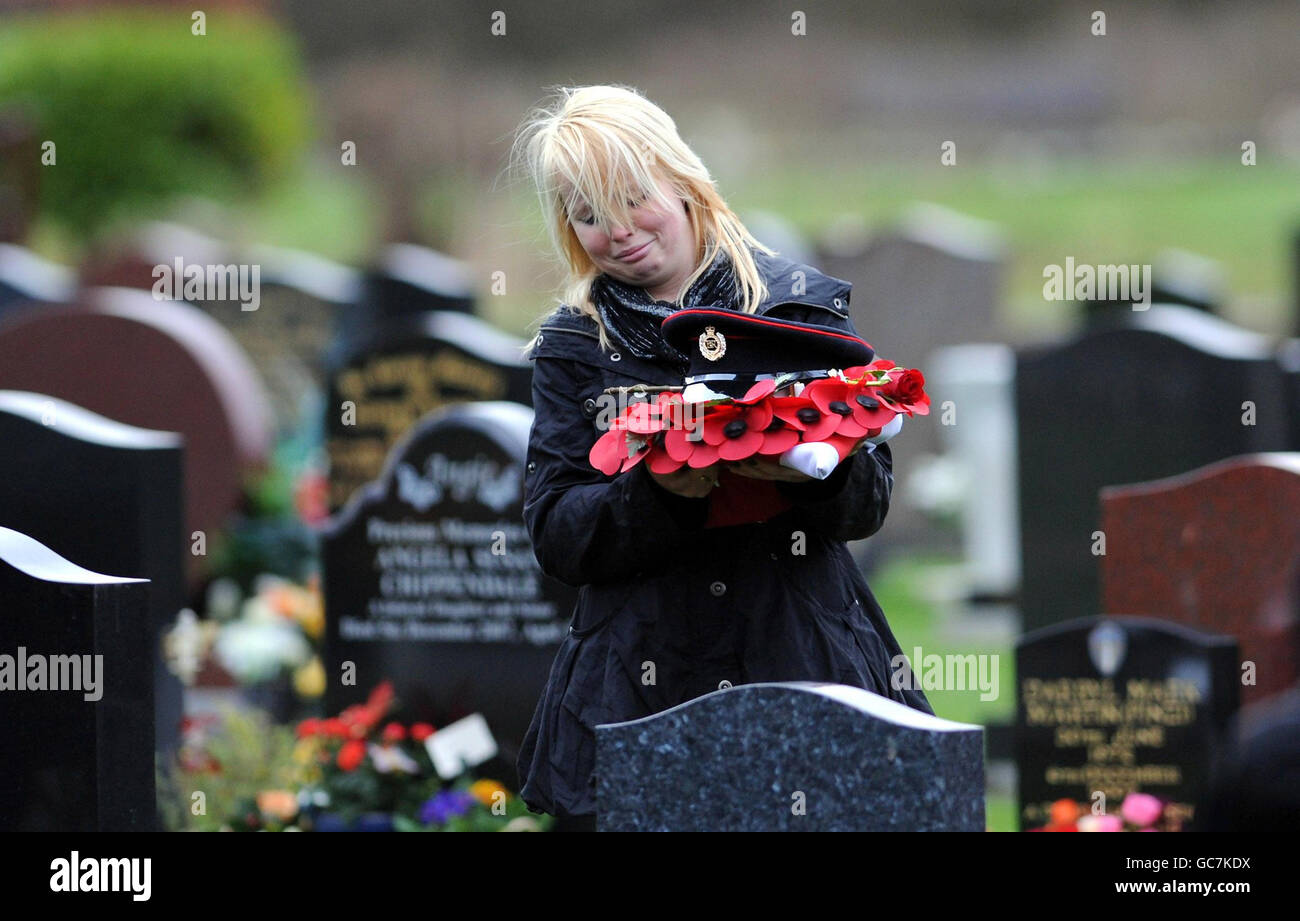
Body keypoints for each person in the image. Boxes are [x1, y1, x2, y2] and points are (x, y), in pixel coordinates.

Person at [509, 84, 932, 824]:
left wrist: (803, 467)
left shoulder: (795, 305)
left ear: (682, 180)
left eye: (632, 197)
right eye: (587, 216)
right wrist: (665, 490)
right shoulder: (572, 346)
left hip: (799, 652)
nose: (618, 232)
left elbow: (868, 503)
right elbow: (556, 533)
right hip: (637, 681)